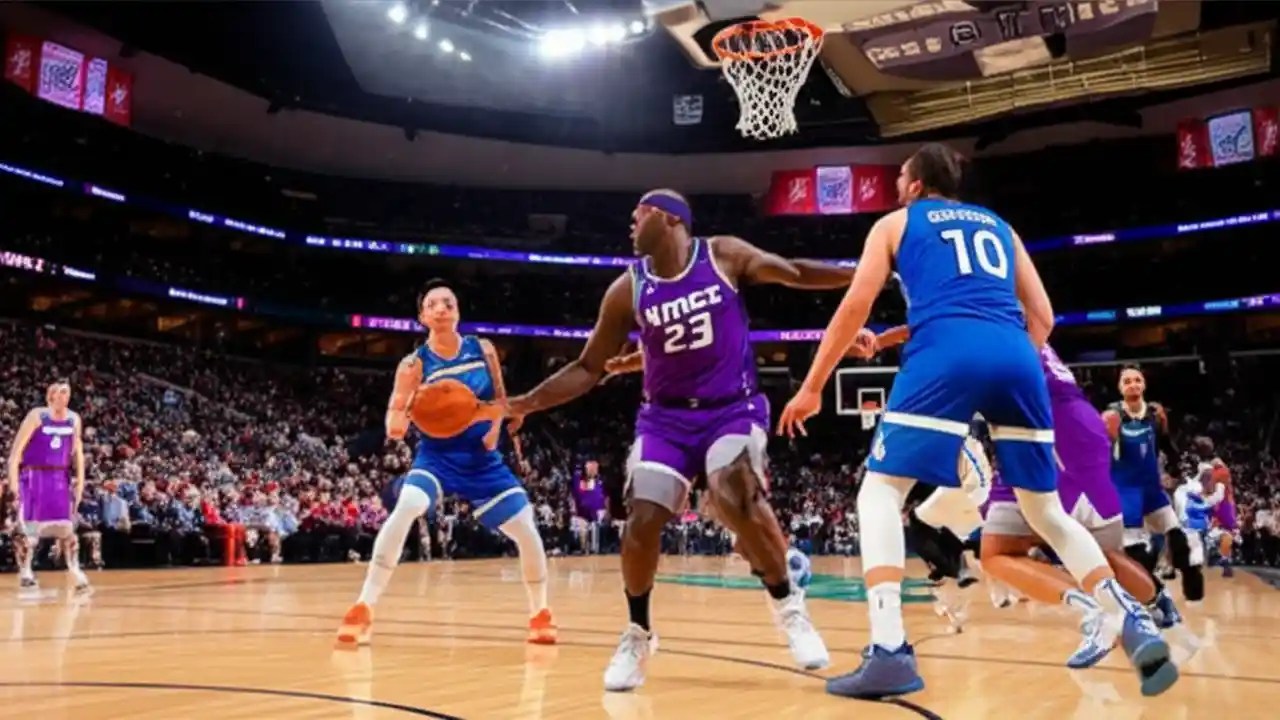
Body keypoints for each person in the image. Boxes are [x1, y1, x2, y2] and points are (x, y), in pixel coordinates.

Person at [778, 144, 1175, 699]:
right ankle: (1128, 615)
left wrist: (814, 385)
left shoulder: (896, 224)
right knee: (1048, 512)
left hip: (945, 353)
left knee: (880, 494)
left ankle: (889, 649)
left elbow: (855, 305)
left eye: (899, 178)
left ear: (915, 184)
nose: (896, 186)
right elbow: (1044, 317)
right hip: (1017, 355)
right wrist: (1008, 366)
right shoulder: (1000, 226)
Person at [508, 189, 851, 692]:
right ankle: (638, 633)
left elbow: (793, 271)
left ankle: (787, 605)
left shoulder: (723, 255)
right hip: (664, 421)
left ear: (670, 219)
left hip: (733, 408)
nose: (630, 223)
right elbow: (587, 368)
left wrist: (859, 272)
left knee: (732, 487)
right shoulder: (627, 289)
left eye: (638, 215)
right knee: (641, 521)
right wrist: (523, 403)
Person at [857, 329, 1168, 666]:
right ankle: (1148, 610)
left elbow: (936, 331)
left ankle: (1103, 613)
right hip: (1063, 420)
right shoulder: (1009, 310)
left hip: (1048, 429)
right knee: (1058, 546)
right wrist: (882, 340)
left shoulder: (977, 322)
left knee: (1007, 548)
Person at [337, 278, 555, 647]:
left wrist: (491, 424)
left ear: (457, 312)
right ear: (422, 316)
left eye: (448, 302)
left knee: (525, 527)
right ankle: (363, 608)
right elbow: (394, 421)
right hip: (437, 456)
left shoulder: (482, 349)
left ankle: (540, 613)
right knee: (407, 505)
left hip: (482, 460)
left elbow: (502, 400)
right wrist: (401, 419)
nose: (441, 307)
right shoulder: (413, 364)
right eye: (433, 303)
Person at [1103, 368, 1206, 608]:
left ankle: (1192, 584)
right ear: (1120, 388)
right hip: (1125, 489)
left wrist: (1176, 470)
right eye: (1126, 381)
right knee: (1136, 552)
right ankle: (1152, 596)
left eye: (1137, 380)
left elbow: (1167, 445)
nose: (1132, 385)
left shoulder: (1156, 414)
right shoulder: (1111, 415)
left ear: (1144, 384)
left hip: (1151, 487)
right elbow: (1098, 451)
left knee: (1178, 538)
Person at [6, 380, 92, 596]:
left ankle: (74, 570)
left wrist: (80, 482)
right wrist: (14, 485)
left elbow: (78, 452)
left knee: (67, 530)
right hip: (34, 475)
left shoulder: (74, 419)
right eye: (61, 392)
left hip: (59, 477)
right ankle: (25, 571)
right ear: (50, 396)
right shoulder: (37, 416)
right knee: (30, 531)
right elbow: (16, 453)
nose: (65, 396)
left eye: (68, 392)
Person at [1194, 436, 1237, 577]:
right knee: (1225, 532)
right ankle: (1223, 559)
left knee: (1217, 531)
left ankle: (1216, 555)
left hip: (1219, 502)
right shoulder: (1220, 469)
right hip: (1226, 504)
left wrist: (1203, 497)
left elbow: (1210, 489)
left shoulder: (1211, 470)